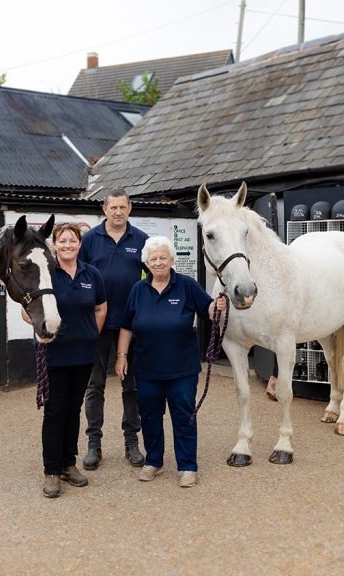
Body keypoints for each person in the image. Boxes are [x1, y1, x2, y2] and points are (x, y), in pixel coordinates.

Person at [115, 236, 227, 488]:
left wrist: (216, 305)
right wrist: (122, 356)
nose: (158, 263)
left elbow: (208, 310)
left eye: (163, 258)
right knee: (150, 417)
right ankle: (154, 461)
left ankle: (187, 466)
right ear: (146, 262)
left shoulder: (186, 285)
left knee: (184, 416)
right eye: (153, 258)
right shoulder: (138, 290)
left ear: (171, 260)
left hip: (181, 369)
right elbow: (126, 326)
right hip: (146, 368)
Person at [22, 223, 107, 498]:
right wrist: (40, 328)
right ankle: (52, 471)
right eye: (62, 241)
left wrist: (92, 333)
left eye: (73, 240)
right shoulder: (46, 272)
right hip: (55, 353)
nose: (68, 245)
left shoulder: (91, 273)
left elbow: (101, 306)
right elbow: (27, 310)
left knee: (74, 408)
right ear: (54, 246)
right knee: (55, 411)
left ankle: (69, 464)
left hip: (83, 354)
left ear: (80, 244)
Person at [78, 189, 149, 470]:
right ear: (104, 209)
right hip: (96, 326)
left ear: (130, 208)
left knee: (131, 387)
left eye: (123, 207)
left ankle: (132, 442)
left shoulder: (142, 240)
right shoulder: (89, 240)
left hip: (131, 327)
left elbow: (156, 274)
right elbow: (77, 275)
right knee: (94, 387)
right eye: (113, 207)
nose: (118, 212)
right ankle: (93, 443)